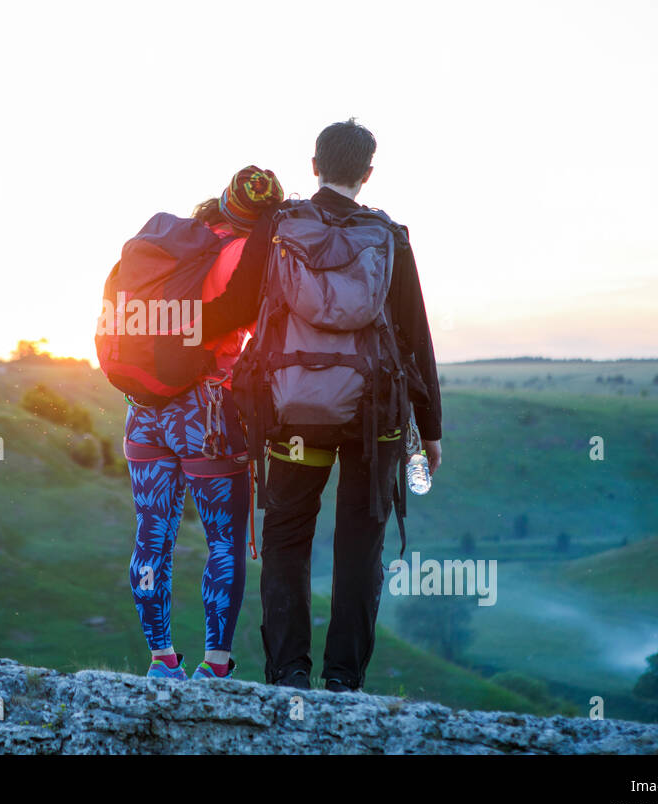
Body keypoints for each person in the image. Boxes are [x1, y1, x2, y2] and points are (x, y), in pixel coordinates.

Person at [198, 120, 442, 692]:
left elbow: (234, 307)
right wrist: (429, 430)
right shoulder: (390, 238)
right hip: (373, 421)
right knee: (361, 543)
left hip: (294, 410)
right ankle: (343, 681)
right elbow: (415, 336)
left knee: (287, 537)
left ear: (314, 165)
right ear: (367, 173)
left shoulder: (281, 227)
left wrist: (177, 329)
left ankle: (288, 674)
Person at [124, 166, 285, 681]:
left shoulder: (179, 246)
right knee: (223, 540)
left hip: (143, 407)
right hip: (207, 413)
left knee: (151, 537)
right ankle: (215, 665)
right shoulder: (246, 254)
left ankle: (160, 659)